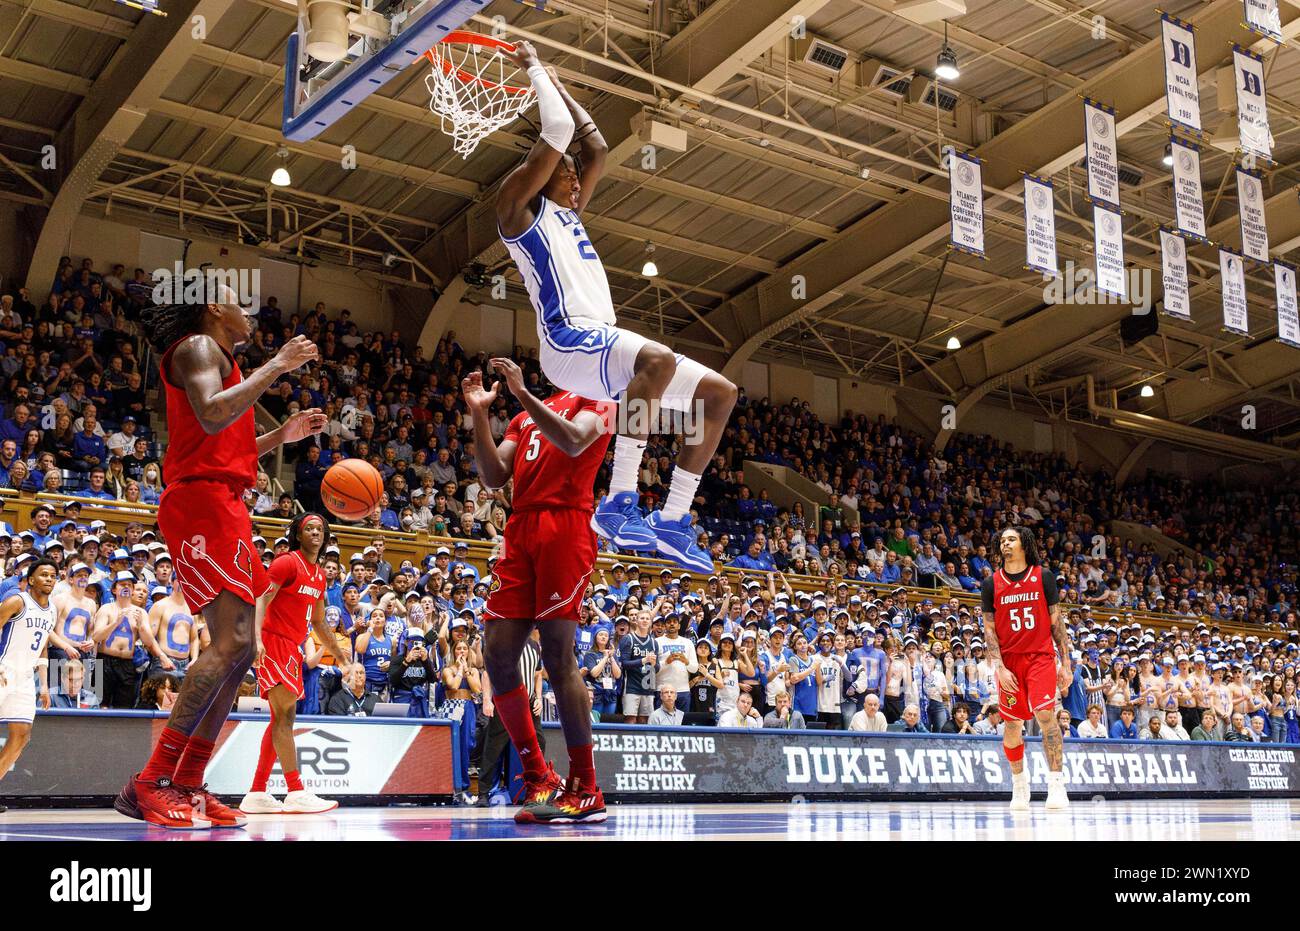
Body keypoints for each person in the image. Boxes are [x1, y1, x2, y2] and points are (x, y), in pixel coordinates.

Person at [495, 41, 737, 574]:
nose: (578, 180)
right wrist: (535, 69)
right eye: (566, 174)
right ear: (540, 175)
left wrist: (559, 86)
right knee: (659, 360)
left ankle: (673, 520)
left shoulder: (570, 212)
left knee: (719, 396)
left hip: (599, 345)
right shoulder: (519, 211)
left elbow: (596, 147)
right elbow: (557, 135)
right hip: (567, 340)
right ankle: (619, 501)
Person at [114, 287, 324, 830]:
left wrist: (284, 433)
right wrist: (277, 366)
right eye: (240, 305)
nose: (248, 314)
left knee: (241, 647)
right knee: (230, 643)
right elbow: (210, 416)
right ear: (213, 309)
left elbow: (225, 442)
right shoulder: (200, 348)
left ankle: (187, 781)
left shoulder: (222, 361)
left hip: (222, 497)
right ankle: (152, 780)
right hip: (201, 501)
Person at [463, 358, 615, 823]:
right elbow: (492, 476)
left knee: (557, 654)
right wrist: (478, 415)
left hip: (566, 524)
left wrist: (522, 392)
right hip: (521, 525)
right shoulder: (521, 417)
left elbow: (573, 440)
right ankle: (539, 776)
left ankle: (586, 786)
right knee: (498, 651)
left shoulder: (600, 397)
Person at [240, 512, 348, 815]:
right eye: (308, 529)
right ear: (298, 535)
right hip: (273, 641)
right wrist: (256, 639)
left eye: (319, 529)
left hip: (293, 647)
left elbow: (317, 621)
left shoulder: (318, 575)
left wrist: (341, 657)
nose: (315, 533)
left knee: (279, 720)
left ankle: (257, 792)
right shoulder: (287, 562)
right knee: (286, 717)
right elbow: (262, 598)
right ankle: (295, 789)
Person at [981, 526, 1071, 811]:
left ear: (1024, 544)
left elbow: (1057, 623)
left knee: (1046, 714)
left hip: (1041, 657)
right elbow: (989, 629)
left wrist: (1066, 663)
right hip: (1009, 662)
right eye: (1002, 540)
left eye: (1011, 539)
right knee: (1012, 724)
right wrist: (998, 666)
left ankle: (1056, 784)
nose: (1005, 543)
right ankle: (1020, 783)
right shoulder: (991, 583)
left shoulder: (1043, 576)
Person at [0, 560, 76, 813]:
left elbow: (42, 644)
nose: (49, 579)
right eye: (43, 574)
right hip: (3, 670)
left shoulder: (52, 610)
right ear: (31, 580)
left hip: (25, 677)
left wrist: (43, 683)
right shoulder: (17, 601)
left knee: (22, 734)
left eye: (53, 575)